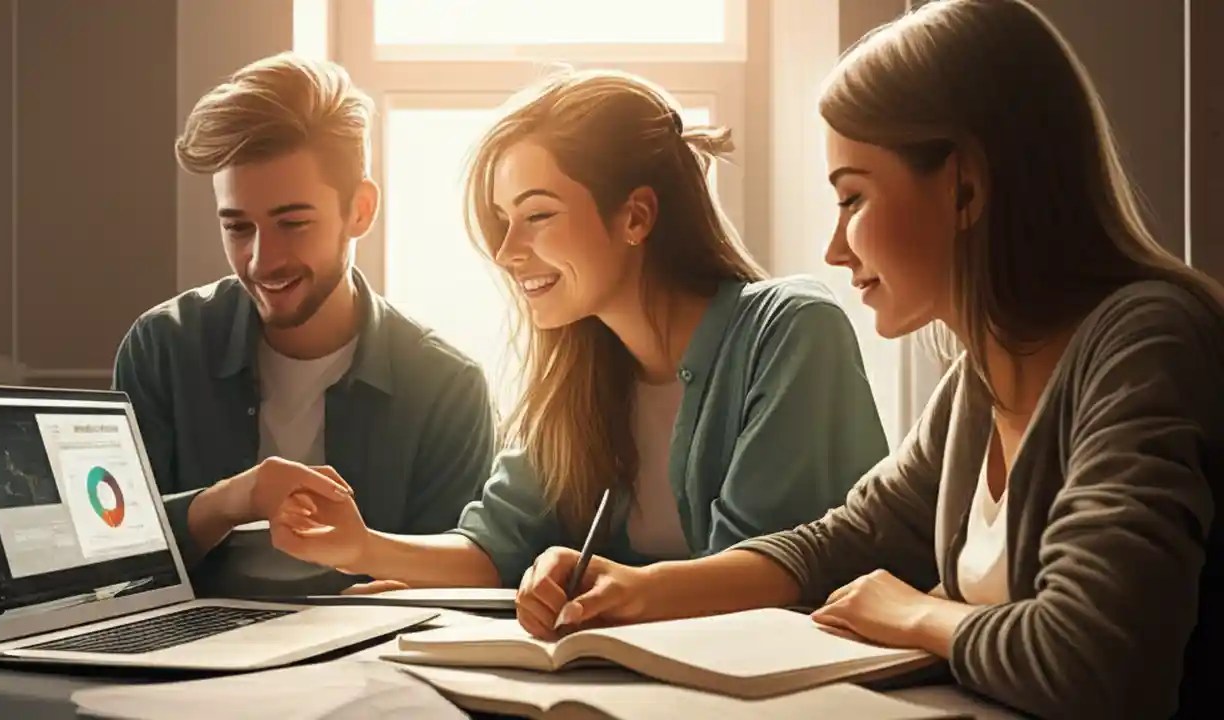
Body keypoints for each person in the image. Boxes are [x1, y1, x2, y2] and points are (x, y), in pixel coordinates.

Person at [512, 2, 1224, 718]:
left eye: (852, 197)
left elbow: (1097, 659)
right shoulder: (975, 389)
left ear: (966, 188)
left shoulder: (1144, 342)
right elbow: (840, 542)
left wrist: (916, 615)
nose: (835, 248)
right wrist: (642, 589)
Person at [267, 69, 889, 592]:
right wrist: (359, 547)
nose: (509, 251)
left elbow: (760, 577)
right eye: (503, 221)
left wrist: (597, 592)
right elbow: (494, 548)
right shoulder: (579, 373)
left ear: (636, 216)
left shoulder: (790, 331)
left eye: (537, 214)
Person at [112, 53, 497, 597]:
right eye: (238, 227)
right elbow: (113, 563)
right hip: (183, 665)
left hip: (373, 664)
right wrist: (233, 500)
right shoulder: (161, 348)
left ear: (360, 209)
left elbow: (454, 578)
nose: (262, 260)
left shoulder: (447, 386)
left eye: (293, 224)